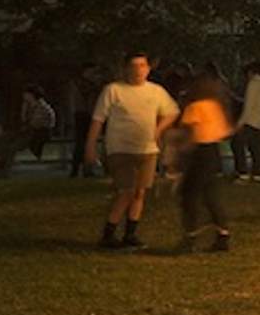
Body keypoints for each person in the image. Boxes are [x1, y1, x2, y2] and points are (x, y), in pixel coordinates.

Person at [83, 51, 178, 250]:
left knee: (139, 192)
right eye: (134, 66)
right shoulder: (114, 90)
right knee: (125, 190)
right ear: (126, 69)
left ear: (148, 69)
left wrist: (158, 129)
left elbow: (172, 111)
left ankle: (130, 233)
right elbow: (98, 119)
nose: (138, 71)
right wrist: (90, 146)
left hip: (146, 149)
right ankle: (109, 233)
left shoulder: (156, 91)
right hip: (121, 149)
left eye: (142, 66)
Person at [167, 67, 234, 252]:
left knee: (189, 195)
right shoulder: (215, 106)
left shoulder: (194, 108)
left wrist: (179, 155)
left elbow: (191, 135)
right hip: (214, 153)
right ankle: (223, 234)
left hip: (200, 154)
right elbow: (225, 131)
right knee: (211, 195)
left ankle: (190, 236)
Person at [234, 61, 260, 183]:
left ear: (250, 73)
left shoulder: (253, 84)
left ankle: (243, 173)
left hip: (250, 121)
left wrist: (240, 122)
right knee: (255, 148)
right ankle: (257, 174)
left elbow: (248, 106)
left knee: (237, 144)